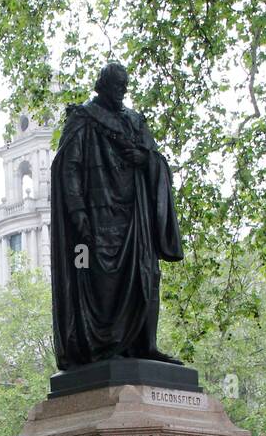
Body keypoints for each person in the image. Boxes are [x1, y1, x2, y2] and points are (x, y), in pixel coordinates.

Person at [50, 61, 184, 368]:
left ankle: (145, 344)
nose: (121, 93)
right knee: (101, 282)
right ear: (102, 86)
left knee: (147, 276)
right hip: (99, 220)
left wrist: (145, 158)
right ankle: (104, 346)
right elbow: (68, 168)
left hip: (136, 218)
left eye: (124, 87)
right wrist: (78, 211)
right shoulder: (82, 119)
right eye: (116, 87)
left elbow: (155, 159)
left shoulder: (135, 122)